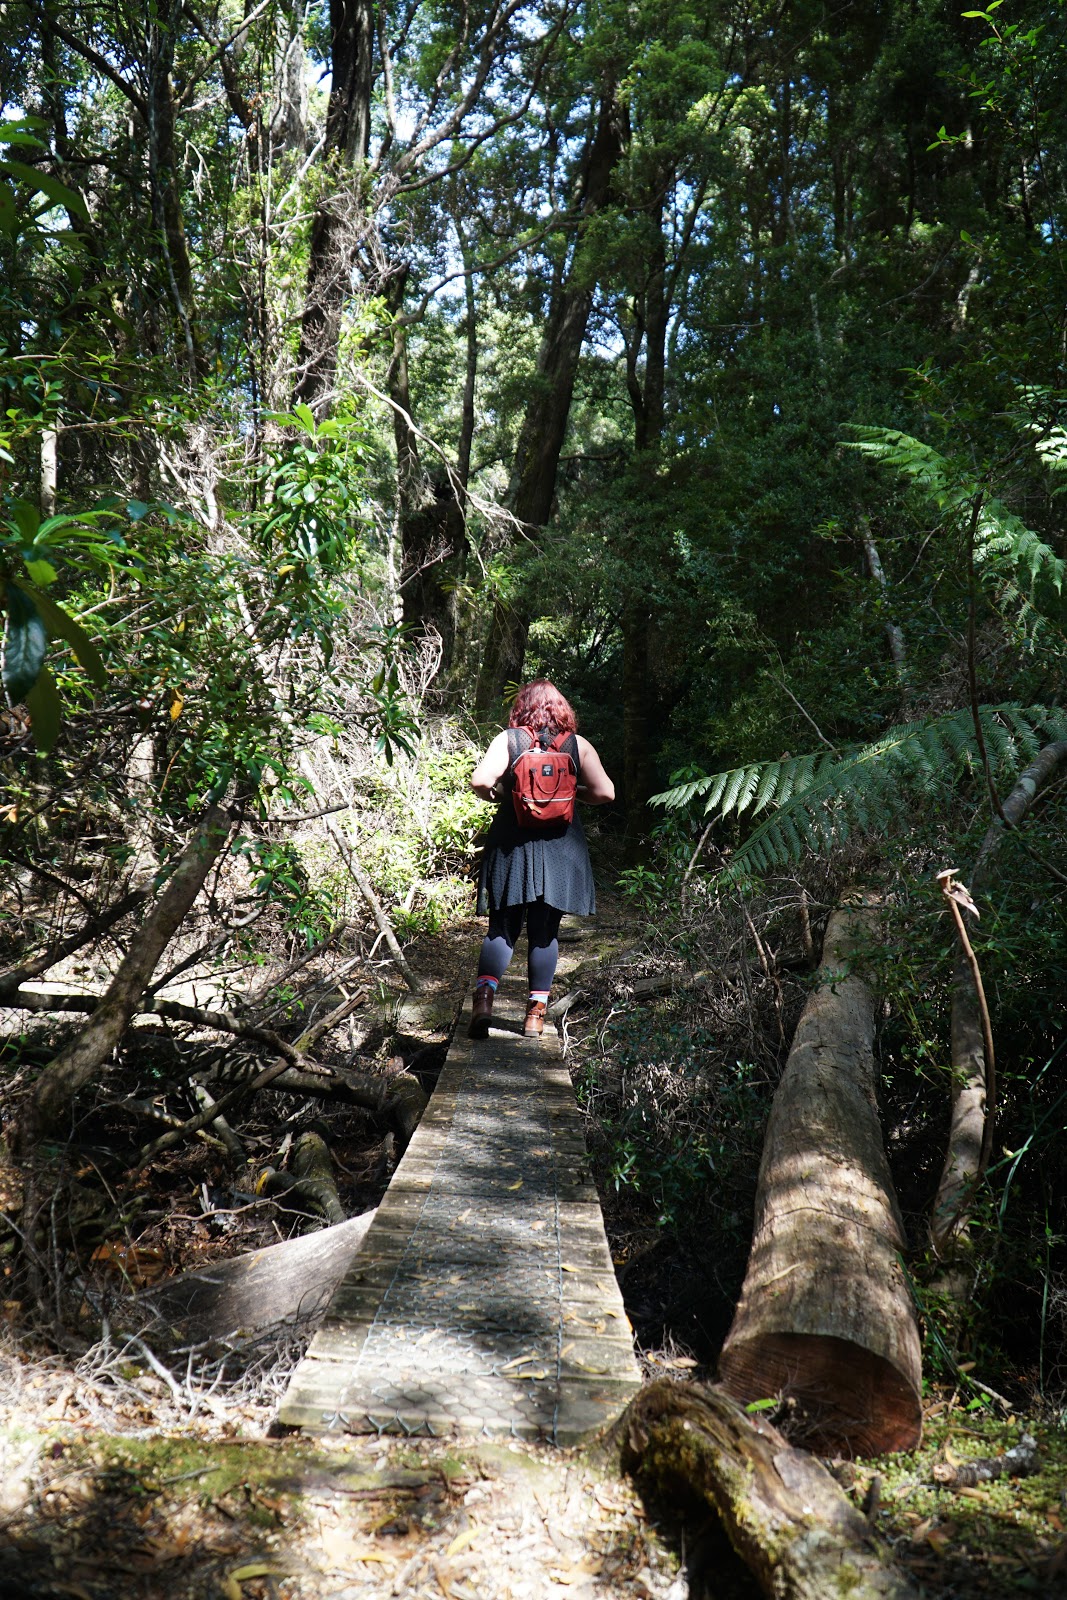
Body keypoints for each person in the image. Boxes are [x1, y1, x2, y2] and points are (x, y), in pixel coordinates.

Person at [469, 679, 615, 1038]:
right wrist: (568, 793)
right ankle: (535, 1015)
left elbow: (479, 781)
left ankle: (485, 1001)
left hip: (512, 845)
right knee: (545, 932)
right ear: (562, 711)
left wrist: (505, 793)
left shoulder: (509, 739)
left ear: (522, 708)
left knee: (503, 927)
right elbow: (606, 793)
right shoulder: (577, 746)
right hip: (561, 848)